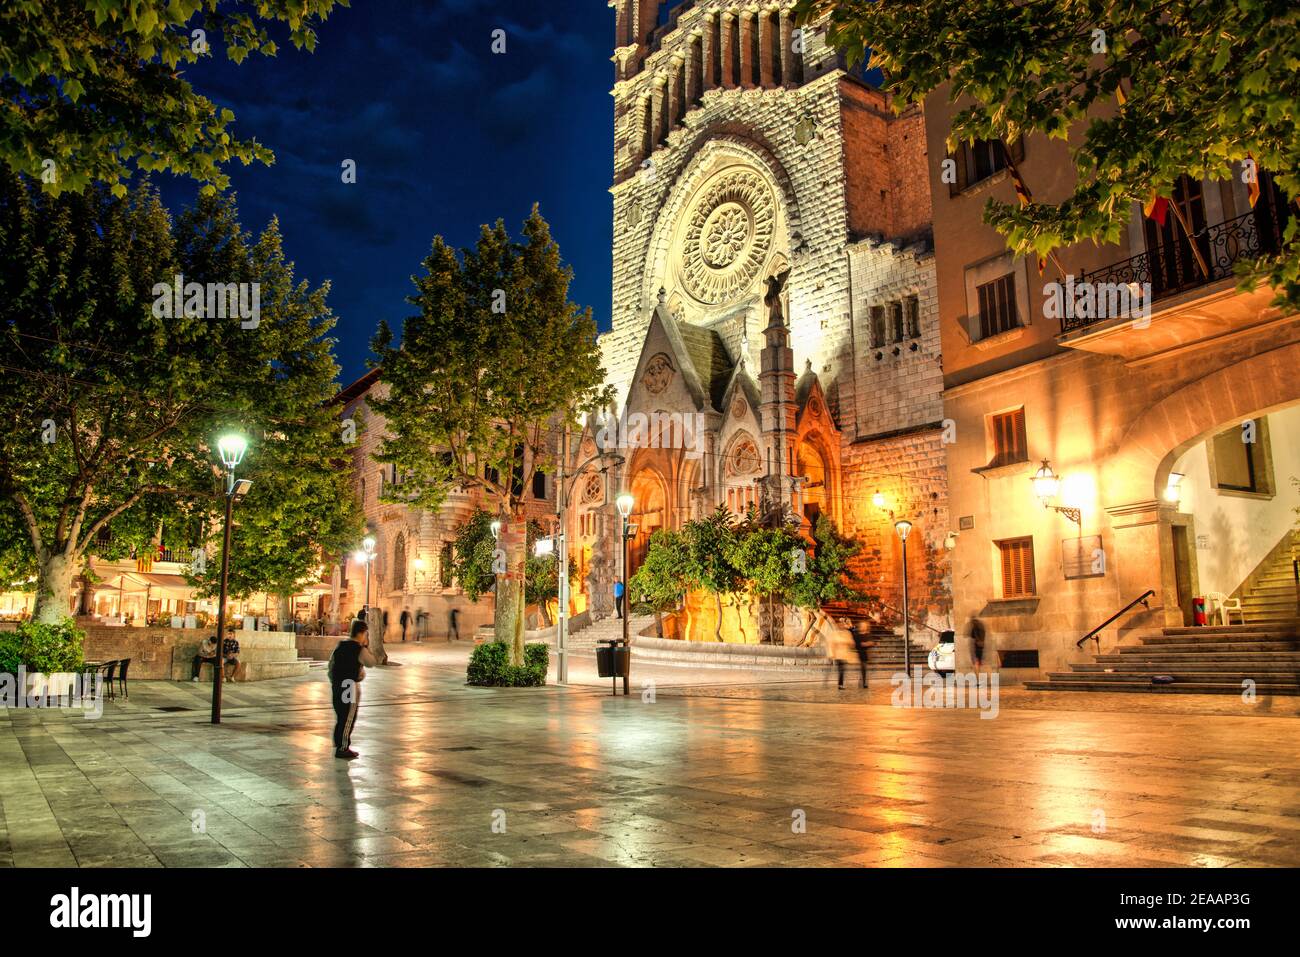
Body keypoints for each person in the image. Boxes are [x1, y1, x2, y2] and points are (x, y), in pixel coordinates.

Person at [328, 618, 377, 760]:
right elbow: (371, 662)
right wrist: (366, 646)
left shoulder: (340, 645)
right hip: (350, 686)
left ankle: (339, 743)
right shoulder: (358, 649)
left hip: (337, 684)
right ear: (362, 633)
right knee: (348, 717)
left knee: (341, 715)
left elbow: (331, 666)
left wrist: (334, 680)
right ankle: (343, 747)